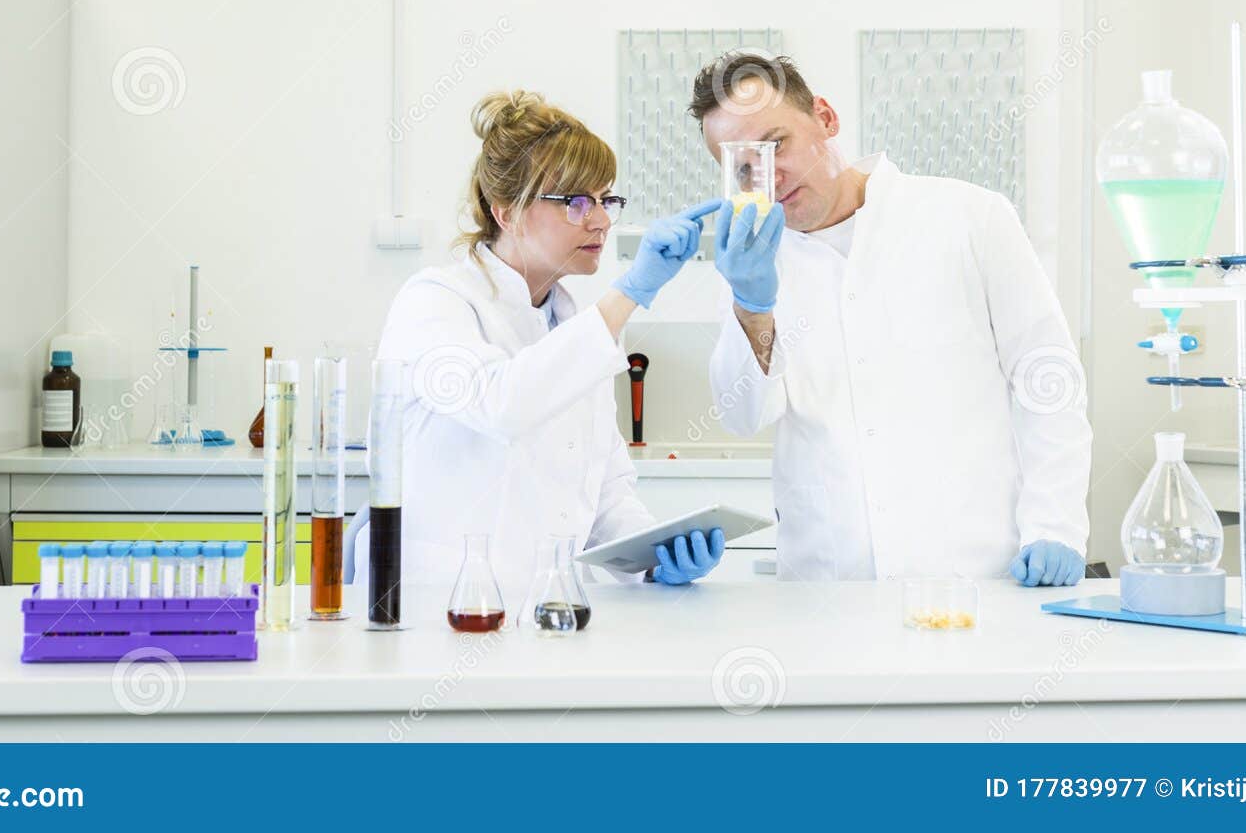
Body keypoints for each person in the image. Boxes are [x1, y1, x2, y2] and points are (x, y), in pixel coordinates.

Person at [693, 52, 1091, 587]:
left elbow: (1047, 378)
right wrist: (751, 303)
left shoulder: (970, 217)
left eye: (776, 143)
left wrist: (1056, 524)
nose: (769, 173)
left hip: (975, 575)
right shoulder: (750, 263)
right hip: (827, 587)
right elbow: (743, 416)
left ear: (826, 118)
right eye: (744, 165)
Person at [375, 90, 725, 595]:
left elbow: (605, 494)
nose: (601, 220)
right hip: (441, 611)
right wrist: (630, 293)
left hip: (553, 610)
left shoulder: (570, 323)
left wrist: (655, 556)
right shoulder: (435, 302)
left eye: (607, 199)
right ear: (506, 213)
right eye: (577, 202)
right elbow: (503, 405)